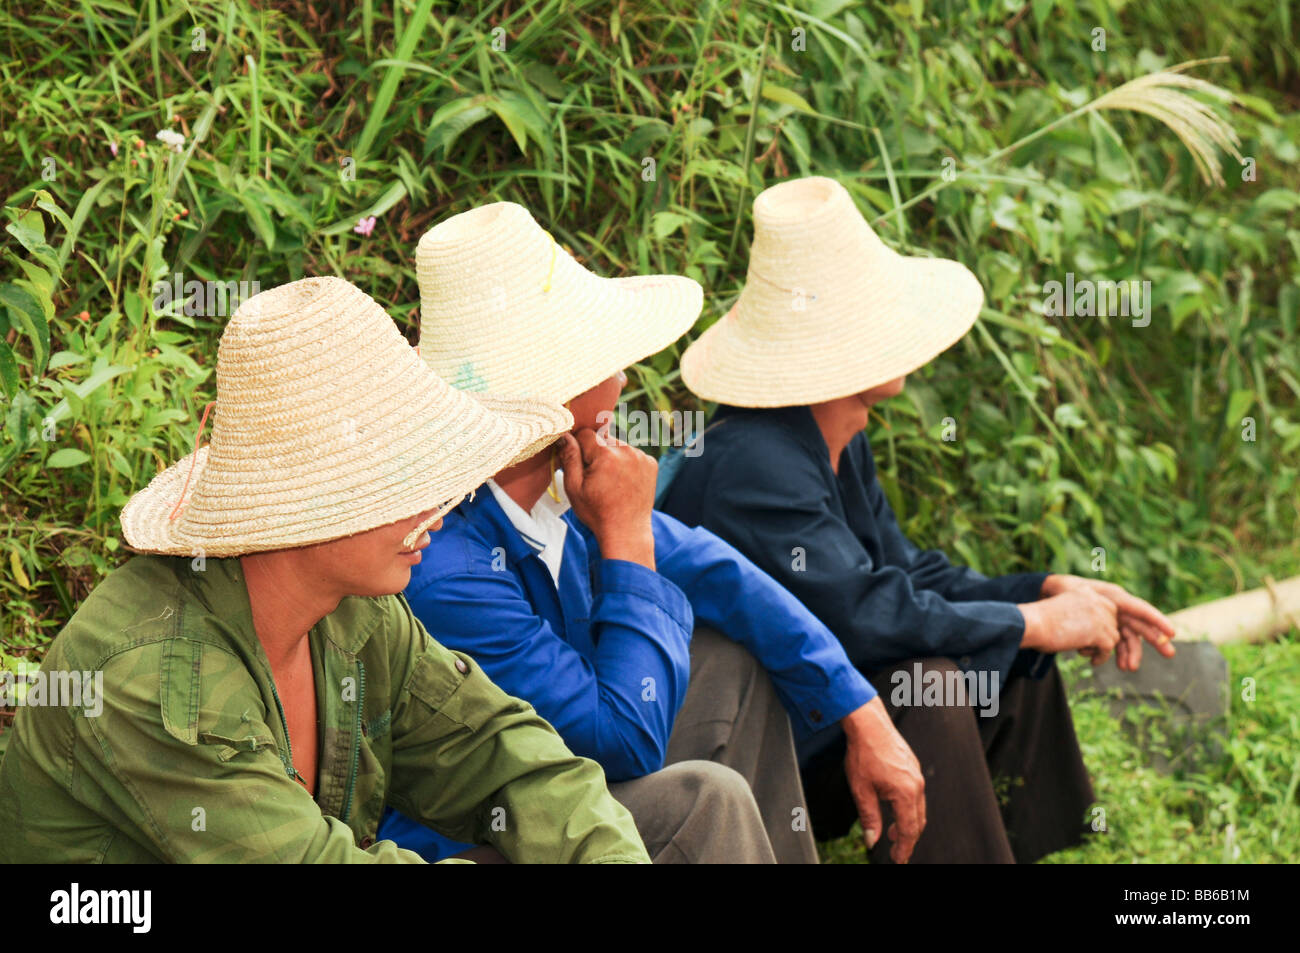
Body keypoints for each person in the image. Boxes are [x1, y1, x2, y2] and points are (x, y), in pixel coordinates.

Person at [0, 276, 650, 864]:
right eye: (400, 479)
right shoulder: (154, 677)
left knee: (687, 803)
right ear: (305, 504)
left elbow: (503, 754)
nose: (439, 507)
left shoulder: (357, 611)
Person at [377, 201, 926, 864]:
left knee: (735, 664)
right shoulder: (450, 566)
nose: (626, 375)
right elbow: (622, 738)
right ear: (555, 392)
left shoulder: (558, 494)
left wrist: (858, 705)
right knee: (706, 795)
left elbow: (723, 574)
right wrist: (627, 537)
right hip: (475, 838)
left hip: (569, 773)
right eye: (608, 359)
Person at [659, 175, 1179, 864]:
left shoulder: (841, 430)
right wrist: (1033, 621)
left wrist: (1045, 592)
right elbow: (863, 615)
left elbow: (903, 571)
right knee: (929, 680)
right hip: (750, 742)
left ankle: (1025, 846)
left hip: (812, 701)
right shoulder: (754, 460)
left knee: (1011, 660)